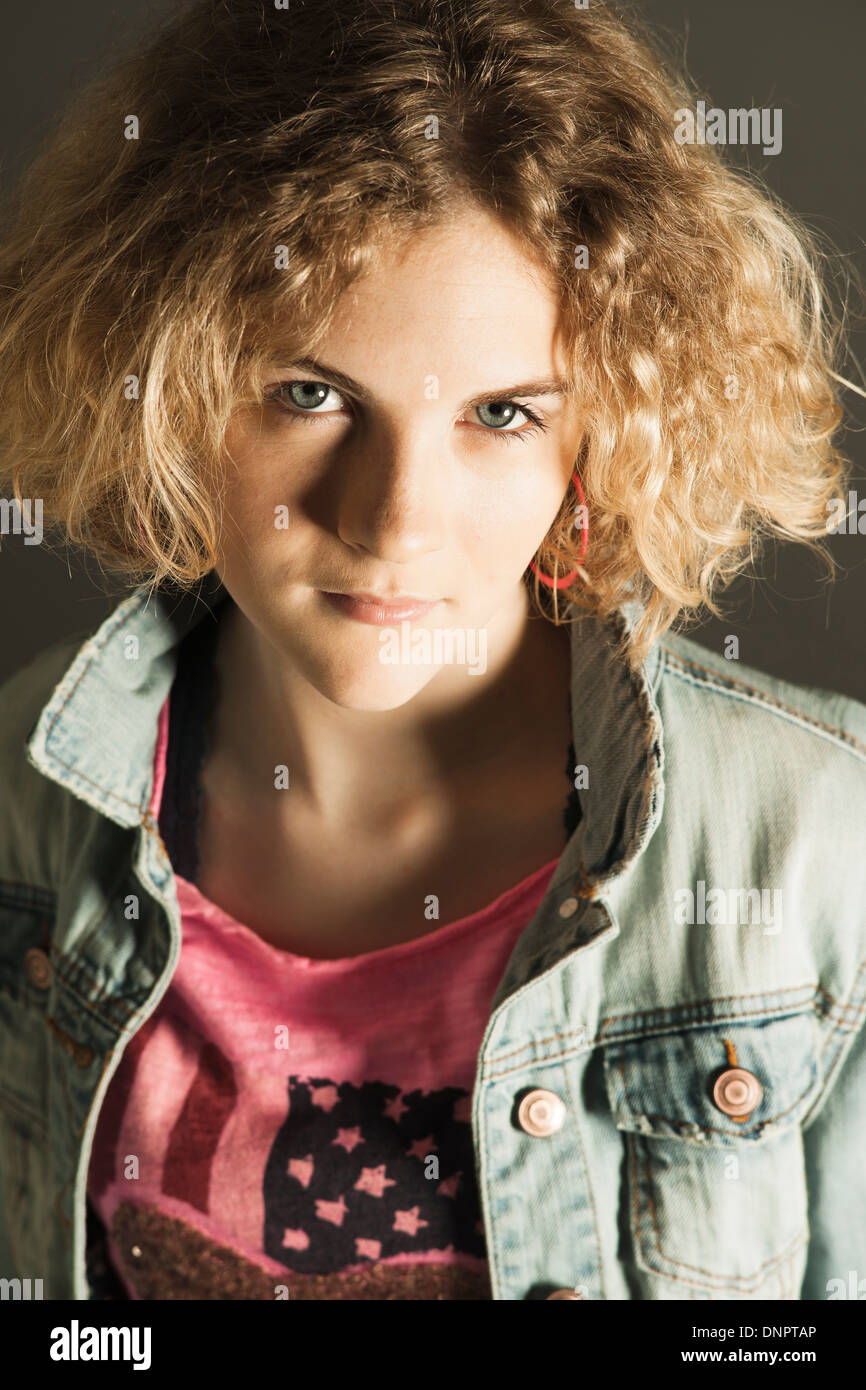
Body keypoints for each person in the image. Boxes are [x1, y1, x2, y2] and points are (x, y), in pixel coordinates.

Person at [0, 0, 863, 1302]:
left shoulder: (818, 838)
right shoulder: (22, 803)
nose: (393, 520)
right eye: (309, 394)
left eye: (502, 413)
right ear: (165, 377)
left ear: (607, 429)